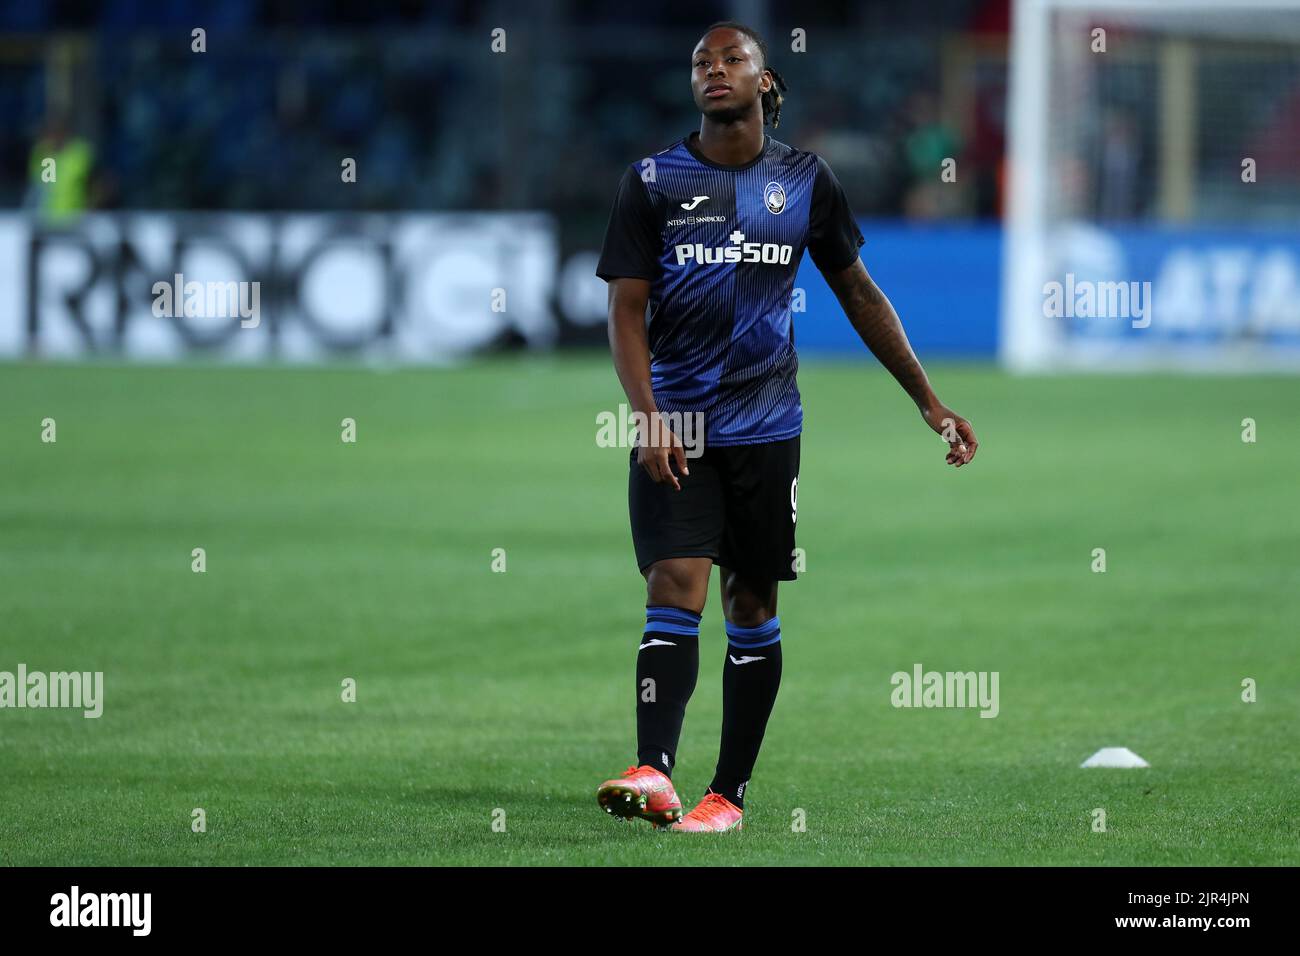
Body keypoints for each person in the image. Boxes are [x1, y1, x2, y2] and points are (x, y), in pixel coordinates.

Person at [594, 21, 978, 833]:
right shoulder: (653, 181)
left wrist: (927, 400)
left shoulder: (806, 180)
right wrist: (649, 415)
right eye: (701, 61)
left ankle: (727, 793)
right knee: (674, 584)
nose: (715, 70)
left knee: (752, 601)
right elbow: (626, 312)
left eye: (733, 60)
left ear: (766, 83)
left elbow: (861, 296)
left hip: (768, 428)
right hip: (680, 427)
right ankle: (653, 772)